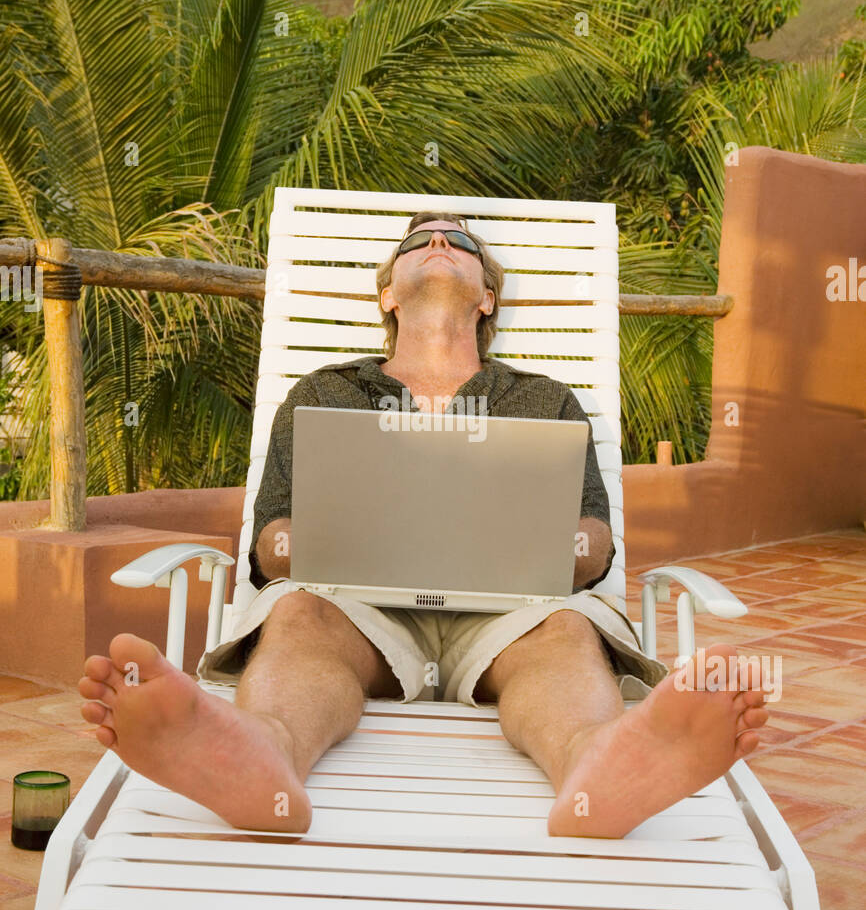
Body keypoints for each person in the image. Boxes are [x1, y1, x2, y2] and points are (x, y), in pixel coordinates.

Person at [78, 213, 771, 837]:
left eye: (460, 240)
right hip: (355, 610)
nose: (440, 240)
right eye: (420, 240)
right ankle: (261, 752)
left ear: (487, 297)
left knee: (567, 629)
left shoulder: (546, 400)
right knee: (295, 615)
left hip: (514, 610)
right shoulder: (324, 394)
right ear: (388, 294)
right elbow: (272, 544)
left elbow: (593, 543)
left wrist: (553, 547)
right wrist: (325, 541)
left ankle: (596, 765)